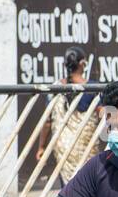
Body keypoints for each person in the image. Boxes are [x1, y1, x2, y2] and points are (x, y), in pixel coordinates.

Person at [37, 46, 101, 182]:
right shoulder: (92, 88)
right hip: (86, 146)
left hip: (63, 147)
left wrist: (41, 146)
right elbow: (102, 113)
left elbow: (48, 121)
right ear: (82, 64)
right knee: (88, 184)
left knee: (68, 187)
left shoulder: (55, 88)